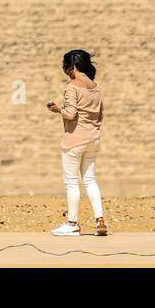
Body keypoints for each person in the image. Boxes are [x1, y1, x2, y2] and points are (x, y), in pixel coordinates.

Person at [46, 50, 107, 236]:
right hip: (93, 139)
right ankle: (100, 220)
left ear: (71, 66)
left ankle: (72, 223)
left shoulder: (72, 87)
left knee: (71, 182)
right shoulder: (95, 87)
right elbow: (100, 114)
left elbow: (71, 114)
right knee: (90, 180)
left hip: (74, 141)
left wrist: (58, 109)